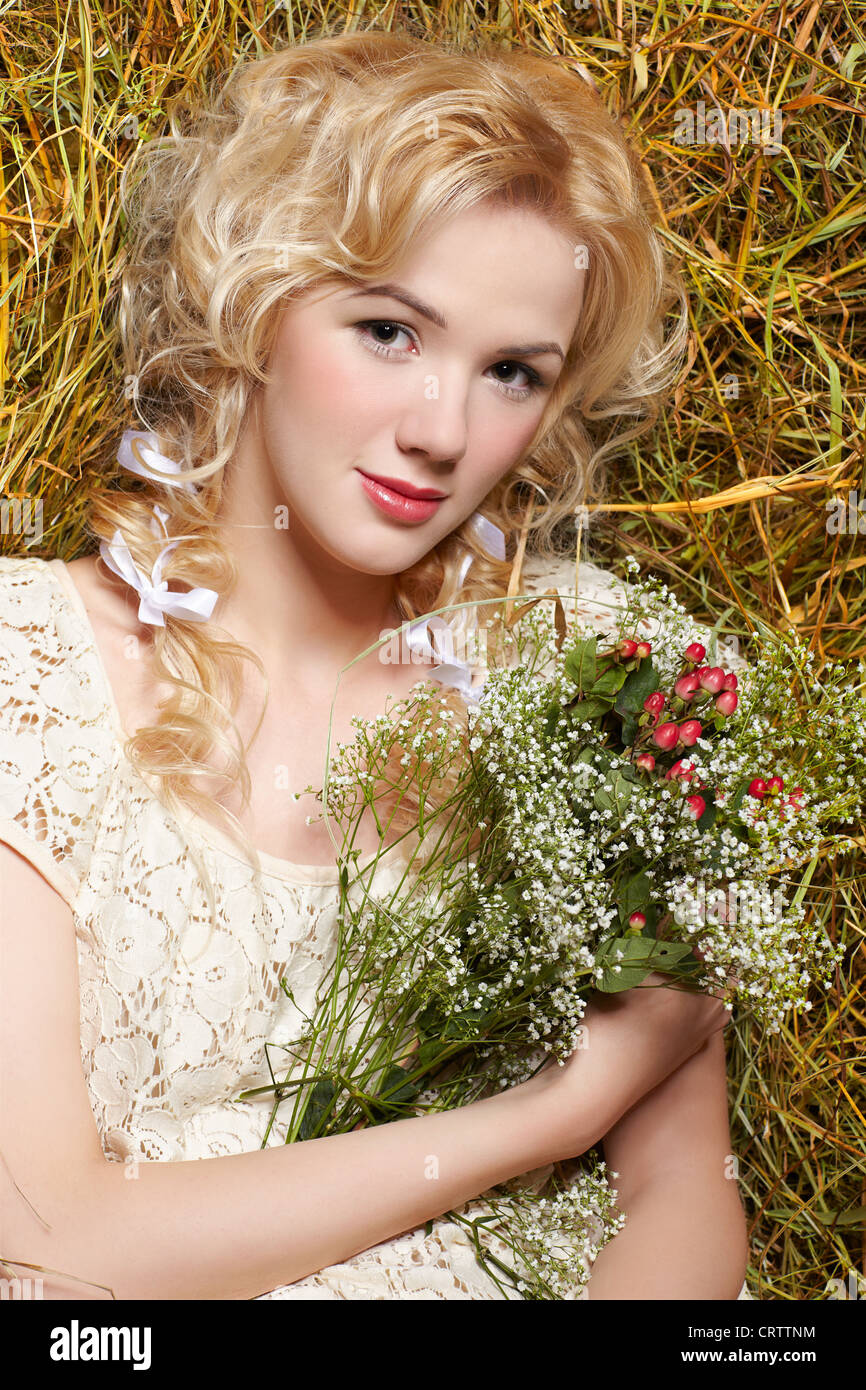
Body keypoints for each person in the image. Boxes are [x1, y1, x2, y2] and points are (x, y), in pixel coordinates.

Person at [0, 28, 748, 1300]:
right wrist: (552, 1115)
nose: (443, 431)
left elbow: (680, 1197)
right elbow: (48, 1238)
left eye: (511, 371)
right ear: (259, 297)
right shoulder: (31, 675)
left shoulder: (604, 678)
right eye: (391, 332)